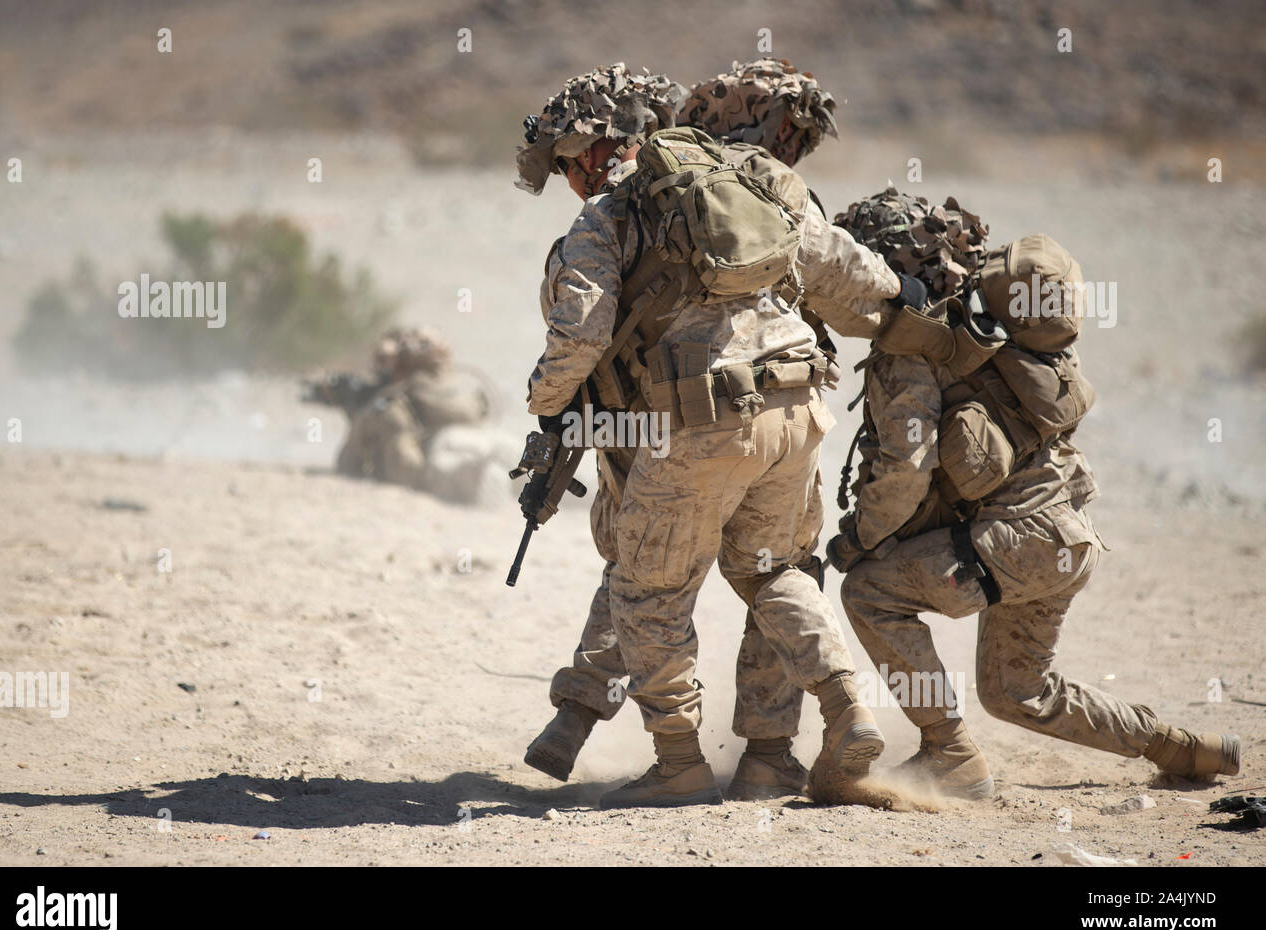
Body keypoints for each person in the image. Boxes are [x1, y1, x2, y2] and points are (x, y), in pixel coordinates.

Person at [519, 65, 914, 809]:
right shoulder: (752, 178)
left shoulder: (608, 214)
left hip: (699, 422)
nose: (573, 181)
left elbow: (580, 333)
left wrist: (545, 403)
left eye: (569, 166)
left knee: (646, 594)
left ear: (591, 155)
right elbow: (859, 285)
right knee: (776, 573)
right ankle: (844, 713)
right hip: (796, 408)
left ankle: (678, 765)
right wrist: (905, 297)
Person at [826, 189, 1242, 798]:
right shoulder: (1000, 333)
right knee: (1018, 694)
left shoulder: (916, 351)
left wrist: (858, 539)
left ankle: (949, 755)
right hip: (1067, 538)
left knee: (868, 591)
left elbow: (904, 472)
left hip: (1017, 542)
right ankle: (1182, 748)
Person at [306, 327, 492, 498]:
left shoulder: (392, 403)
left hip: (424, 474)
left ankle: (462, 475)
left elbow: (350, 463)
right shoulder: (456, 388)